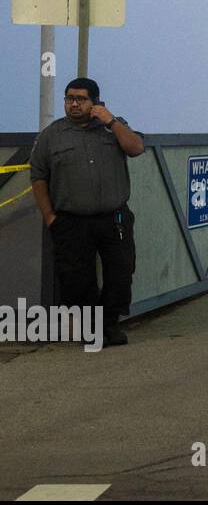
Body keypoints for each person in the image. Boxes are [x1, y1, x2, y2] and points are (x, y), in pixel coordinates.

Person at [29, 78, 146, 347]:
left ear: (95, 102)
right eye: (69, 98)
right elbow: (38, 177)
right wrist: (50, 217)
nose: (74, 104)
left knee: (120, 272)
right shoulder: (52, 135)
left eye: (81, 99)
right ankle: (91, 329)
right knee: (76, 279)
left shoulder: (113, 128)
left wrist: (112, 121)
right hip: (70, 221)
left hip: (113, 219)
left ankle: (109, 324)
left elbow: (137, 148)